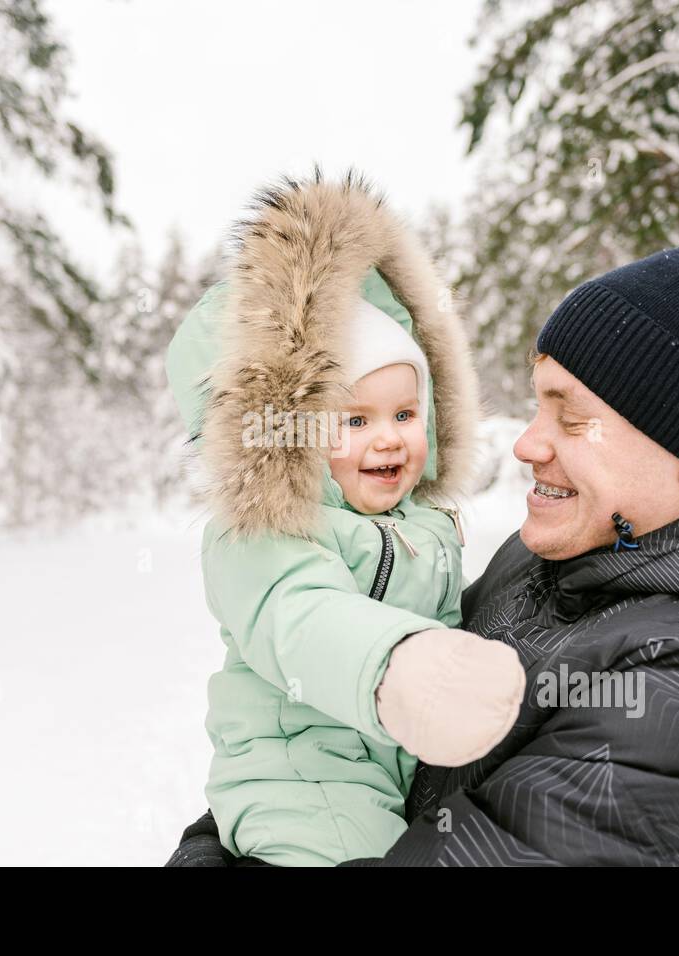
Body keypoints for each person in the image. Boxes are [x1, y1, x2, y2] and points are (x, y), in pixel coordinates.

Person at [170, 240, 679, 866]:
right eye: (536, 408)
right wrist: (227, 833)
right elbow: (334, 730)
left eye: (572, 417)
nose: (526, 445)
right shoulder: (554, 561)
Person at [163, 172, 525, 866]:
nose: (387, 438)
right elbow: (299, 617)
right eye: (352, 420)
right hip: (300, 782)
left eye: (403, 415)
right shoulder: (267, 529)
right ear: (294, 432)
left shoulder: (420, 523)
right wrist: (399, 664)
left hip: (384, 775)